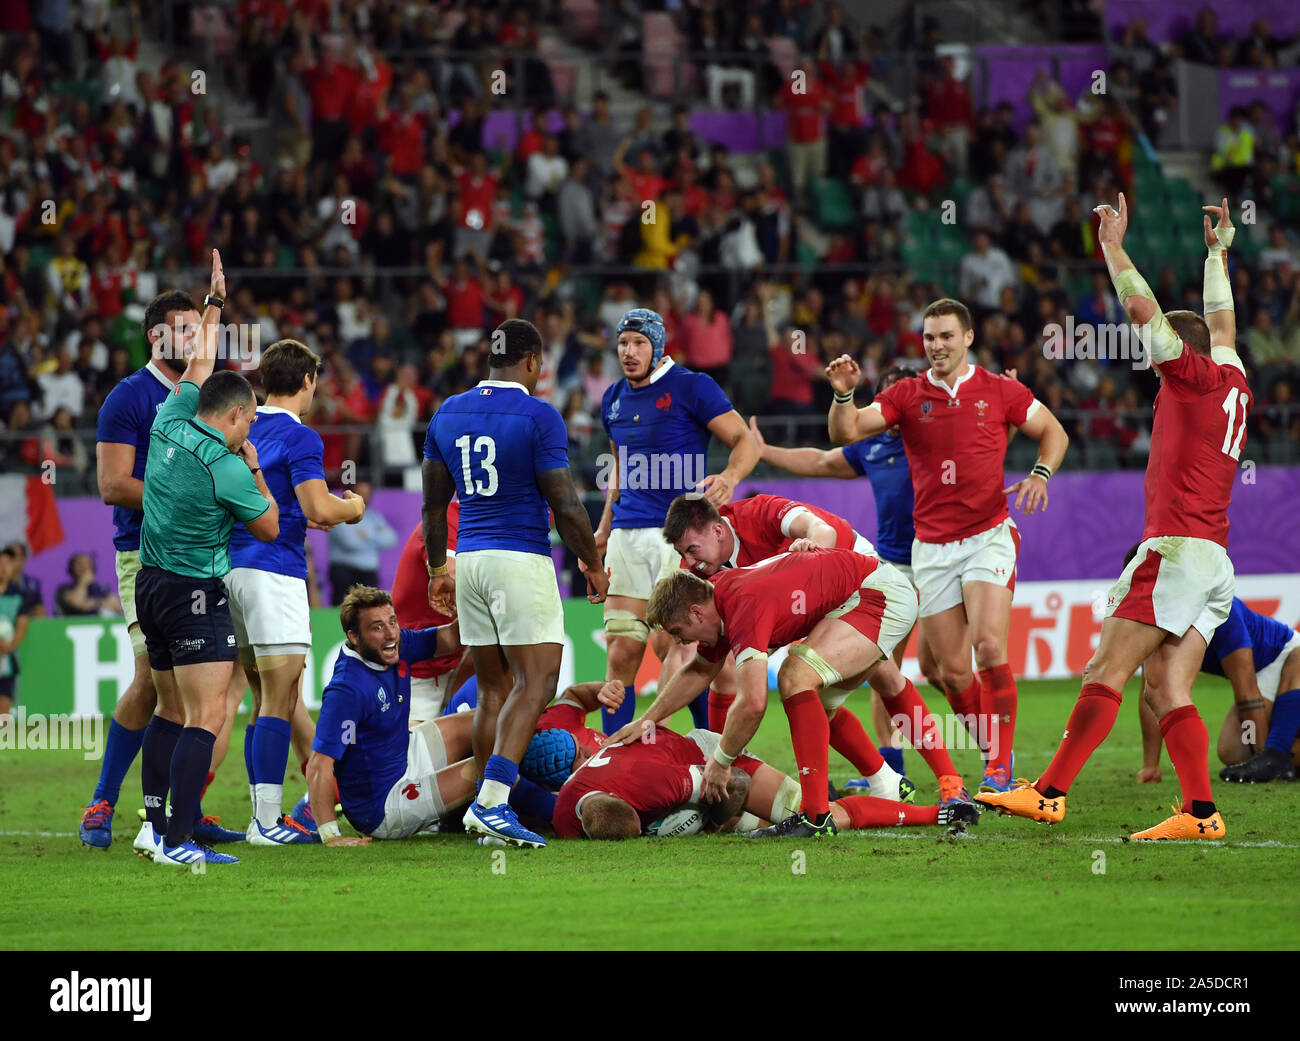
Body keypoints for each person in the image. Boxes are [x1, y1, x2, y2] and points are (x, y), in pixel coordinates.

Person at [978, 196, 1248, 840]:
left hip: (1177, 550)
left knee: (1105, 672)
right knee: (1166, 689)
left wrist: (1112, 246)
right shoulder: (1234, 375)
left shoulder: (1189, 376)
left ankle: (1048, 793)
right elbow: (1225, 322)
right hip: (1216, 562)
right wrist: (1217, 255)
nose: (1150, 367)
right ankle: (1201, 813)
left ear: (1179, 351)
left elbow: (1140, 308)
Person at [827, 299, 1070, 793]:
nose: (937, 346)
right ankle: (992, 752)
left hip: (988, 536)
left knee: (987, 644)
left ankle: (999, 769)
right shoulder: (907, 395)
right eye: (930, 337)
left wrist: (1041, 473)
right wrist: (844, 395)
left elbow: (1053, 432)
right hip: (932, 548)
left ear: (968, 338)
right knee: (953, 673)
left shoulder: (1002, 390)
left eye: (946, 336)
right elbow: (847, 431)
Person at [421, 317, 608, 847]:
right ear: (532, 362)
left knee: (493, 690)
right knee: (538, 682)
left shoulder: (447, 411)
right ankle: (493, 804)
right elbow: (566, 503)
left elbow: (434, 506)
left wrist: (440, 569)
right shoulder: (539, 414)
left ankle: (482, 804)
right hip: (519, 557)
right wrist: (591, 564)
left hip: (472, 559)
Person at [661, 492, 969, 806]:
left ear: (717, 530)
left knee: (877, 677)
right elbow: (705, 665)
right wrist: (651, 721)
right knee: (814, 695)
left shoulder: (756, 512)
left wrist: (811, 550)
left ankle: (946, 784)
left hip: (848, 575)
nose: (690, 562)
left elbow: (821, 530)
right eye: (683, 554)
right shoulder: (706, 576)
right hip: (806, 600)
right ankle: (888, 781)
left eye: (692, 549)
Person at [79, 281, 242, 849]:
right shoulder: (128, 397)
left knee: (205, 690)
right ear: (154, 336)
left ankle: (179, 813)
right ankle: (103, 798)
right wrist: (182, 496)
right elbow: (110, 484)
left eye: (198, 332)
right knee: (152, 678)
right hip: (143, 556)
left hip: (201, 557)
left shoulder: (200, 396)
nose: (195, 339)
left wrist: (216, 303)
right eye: (184, 328)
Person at [133, 249, 281, 868]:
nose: (251, 428)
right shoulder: (226, 465)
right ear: (238, 415)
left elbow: (198, 360)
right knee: (209, 713)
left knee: (169, 708)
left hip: (150, 584)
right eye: (249, 420)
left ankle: (153, 823)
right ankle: (179, 839)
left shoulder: (170, 415)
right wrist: (256, 469)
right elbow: (270, 527)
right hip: (196, 594)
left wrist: (215, 302)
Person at [616, 547, 920, 838]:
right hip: (860, 597)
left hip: (878, 595)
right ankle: (887, 783)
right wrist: (648, 719)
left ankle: (815, 817)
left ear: (696, 614)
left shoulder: (742, 607)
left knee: (795, 676)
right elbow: (698, 670)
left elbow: (753, 704)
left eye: (679, 632)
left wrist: (721, 762)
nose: (681, 642)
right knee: (816, 708)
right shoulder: (719, 598)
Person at [746, 365, 945, 774]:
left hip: (941, 558)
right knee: (884, 669)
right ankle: (895, 769)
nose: (891, 409)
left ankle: (989, 753)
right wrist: (764, 452)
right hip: (894, 567)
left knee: (941, 672)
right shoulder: (870, 447)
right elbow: (820, 460)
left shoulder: (934, 441)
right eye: (884, 400)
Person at [592, 307, 758, 738]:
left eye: (639, 343)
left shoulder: (692, 386)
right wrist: (604, 528)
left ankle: (667, 746)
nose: (629, 352)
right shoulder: (612, 397)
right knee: (622, 651)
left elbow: (744, 440)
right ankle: (616, 756)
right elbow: (619, 467)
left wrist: (730, 477)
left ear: (658, 346)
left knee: (678, 646)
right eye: (623, 343)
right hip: (626, 536)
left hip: (677, 536)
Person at [226, 338, 366, 845]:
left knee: (265, 699)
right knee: (280, 698)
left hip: (231, 573)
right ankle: (266, 823)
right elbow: (321, 510)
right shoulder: (300, 436)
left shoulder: (238, 425)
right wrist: (353, 506)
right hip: (275, 572)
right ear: (307, 382)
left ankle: (263, 817)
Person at [305, 586, 467, 845]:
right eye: (377, 627)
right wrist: (330, 836)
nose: (391, 633)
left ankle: (457, 817)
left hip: (406, 754)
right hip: (384, 805)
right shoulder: (348, 689)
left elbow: (450, 639)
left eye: (392, 621)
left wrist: (472, 601)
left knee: (487, 725)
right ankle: (516, 816)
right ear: (354, 636)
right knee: (492, 770)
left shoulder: (396, 644)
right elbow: (319, 764)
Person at [1134, 589, 1300, 784]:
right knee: (1233, 752)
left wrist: (1263, 761)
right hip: (1258, 676)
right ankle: (1280, 758)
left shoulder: (1222, 612)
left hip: (1285, 658)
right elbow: (1152, 693)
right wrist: (1151, 766)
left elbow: (1246, 691)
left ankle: (1276, 758)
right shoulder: (1157, 620)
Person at [390, 502, 472, 724]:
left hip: (457, 659)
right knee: (413, 756)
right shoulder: (449, 518)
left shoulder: (490, 526)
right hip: (419, 670)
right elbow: (453, 579)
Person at [326, 480, 396, 601]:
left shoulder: (374, 517)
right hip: (345, 572)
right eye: (361, 493)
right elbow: (350, 542)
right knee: (342, 609)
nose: (364, 497)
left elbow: (391, 539)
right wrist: (377, 536)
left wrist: (367, 535)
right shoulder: (341, 514)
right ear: (352, 493)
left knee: (368, 609)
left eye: (367, 493)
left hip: (368, 574)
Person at [0, 547, 34, 717]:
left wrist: (10, 646)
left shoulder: (21, 595)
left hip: (6, 660)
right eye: (0, 563)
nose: (3, 567)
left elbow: (22, 624)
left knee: (4, 710)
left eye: (7, 563)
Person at [55, 553, 120, 616]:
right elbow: (77, 603)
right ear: (72, 568)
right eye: (80, 564)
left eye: (88, 564)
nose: (85, 567)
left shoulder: (101, 588)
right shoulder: (64, 589)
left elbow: (116, 606)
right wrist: (83, 583)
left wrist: (92, 603)